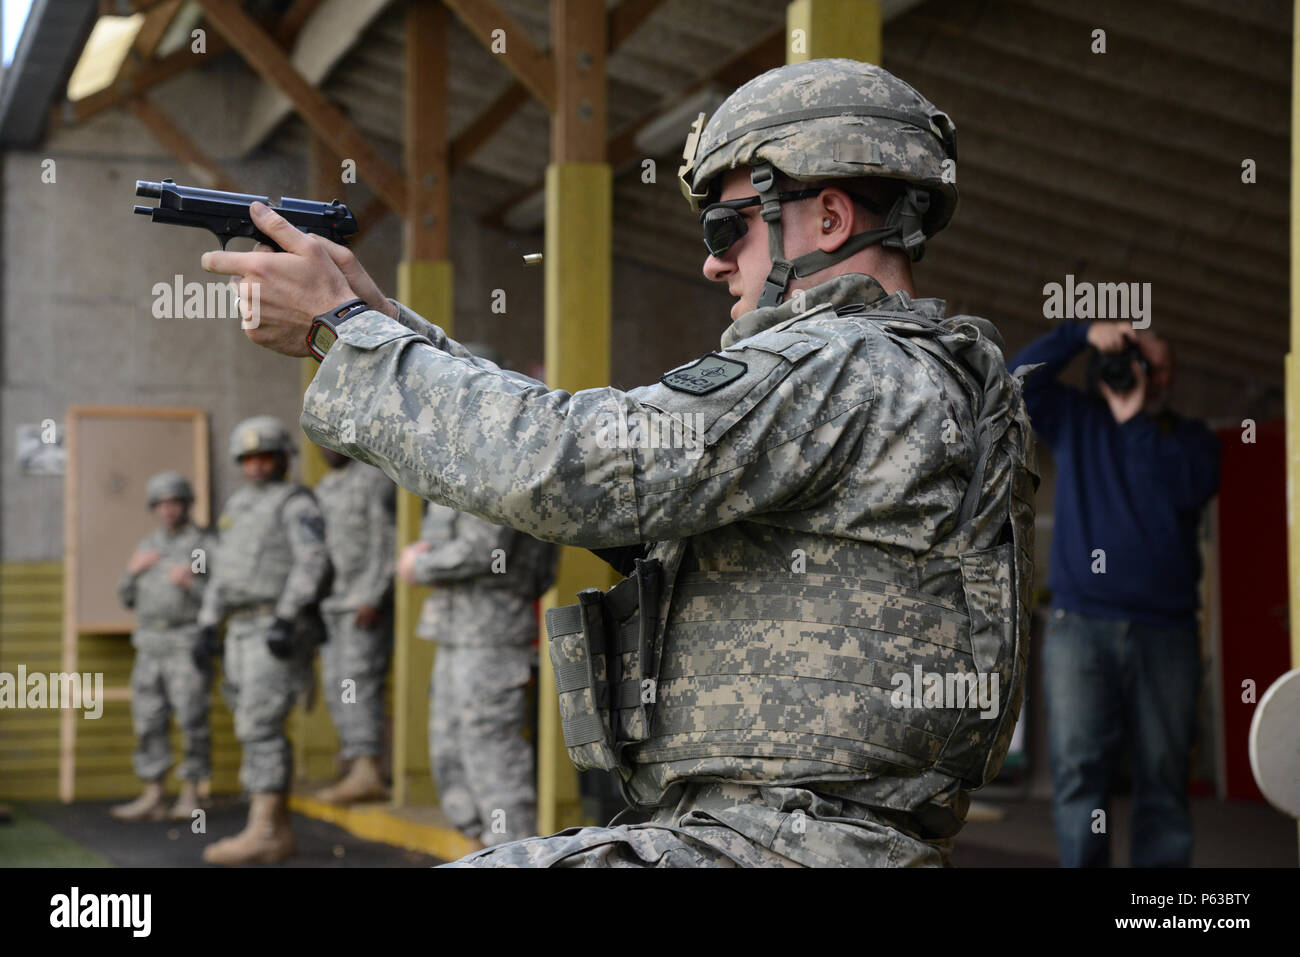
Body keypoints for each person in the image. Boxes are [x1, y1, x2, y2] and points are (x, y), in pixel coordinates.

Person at [201, 58, 1038, 867]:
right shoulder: (912, 372)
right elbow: (585, 453)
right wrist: (382, 322)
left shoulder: (842, 368)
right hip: (776, 833)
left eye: (729, 225)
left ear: (827, 218)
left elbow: (567, 465)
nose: (713, 260)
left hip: (777, 840)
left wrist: (342, 332)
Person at [1008, 321, 1220, 867]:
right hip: (1080, 628)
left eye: (1152, 364)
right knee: (1079, 775)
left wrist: (1133, 422)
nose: (1139, 373)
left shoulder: (1192, 442)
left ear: (1167, 378)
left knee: (1164, 778)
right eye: (1131, 358)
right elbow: (1017, 382)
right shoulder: (1079, 421)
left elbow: (1182, 489)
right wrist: (1081, 334)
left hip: (1167, 633)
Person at [398, 449, 557, 848]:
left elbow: (487, 551)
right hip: (454, 630)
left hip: (492, 633)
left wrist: (423, 565)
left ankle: (512, 850)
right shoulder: (458, 468)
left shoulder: (500, 465)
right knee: (449, 749)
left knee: (491, 751)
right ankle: (482, 848)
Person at [196, 416, 331, 865]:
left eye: (264, 456)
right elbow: (223, 568)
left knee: (260, 723)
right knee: (247, 719)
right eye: (248, 458)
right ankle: (272, 827)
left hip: (273, 625)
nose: (256, 466)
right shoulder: (238, 505)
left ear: (280, 459)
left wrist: (288, 617)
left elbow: (312, 560)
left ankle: (266, 829)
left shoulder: (295, 503)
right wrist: (207, 623)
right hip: (239, 628)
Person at [112, 471, 214, 822]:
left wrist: (191, 584)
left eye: (175, 502)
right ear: (154, 508)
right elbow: (125, 597)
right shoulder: (147, 546)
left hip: (185, 642)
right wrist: (132, 571)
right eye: (162, 504)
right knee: (148, 717)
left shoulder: (202, 546)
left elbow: (216, 597)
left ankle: (191, 794)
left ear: (186, 505)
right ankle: (153, 793)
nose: (169, 510)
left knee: (191, 716)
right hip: (149, 644)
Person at [313, 447, 396, 804]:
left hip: (364, 601)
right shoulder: (325, 488)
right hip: (335, 604)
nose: (324, 450)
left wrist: (374, 594)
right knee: (336, 684)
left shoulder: (373, 478)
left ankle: (368, 770)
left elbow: (387, 538)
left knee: (358, 682)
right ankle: (356, 760)